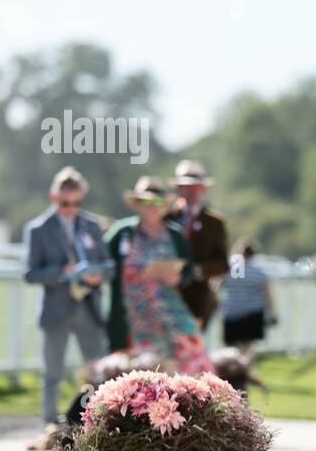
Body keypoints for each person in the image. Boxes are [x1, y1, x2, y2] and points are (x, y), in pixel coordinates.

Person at [22, 167, 112, 428]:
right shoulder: (39, 229)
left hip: (88, 306)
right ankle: (50, 422)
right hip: (56, 307)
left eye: (76, 202)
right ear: (53, 197)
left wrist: (99, 275)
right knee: (53, 371)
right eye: (65, 203)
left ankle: (98, 418)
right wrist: (61, 273)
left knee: (98, 370)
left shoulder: (92, 226)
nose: (70, 208)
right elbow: (30, 273)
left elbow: (109, 266)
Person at [105, 177, 214, 375]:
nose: (153, 207)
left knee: (194, 354)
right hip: (134, 317)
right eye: (147, 202)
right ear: (137, 204)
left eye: (158, 202)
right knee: (146, 369)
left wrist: (178, 278)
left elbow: (188, 271)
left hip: (170, 311)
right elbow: (103, 261)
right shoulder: (122, 233)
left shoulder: (175, 235)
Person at [166, 159, 229, 330]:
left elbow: (223, 264)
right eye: (186, 186)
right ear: (178, 188)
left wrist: (198, 270)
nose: (192, 191)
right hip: (167, 296)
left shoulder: (214, 222)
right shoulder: (166, 218)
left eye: (197, 186)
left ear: (204, 189)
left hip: (199, 299)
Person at [222, 237, 275, 353]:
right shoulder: (260, 272)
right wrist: (273, 313)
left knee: (233, 349)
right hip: (253, 314)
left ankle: (234, 369)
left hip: (232, 313)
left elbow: (217, 286)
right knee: (250, 347)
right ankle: (246, 368)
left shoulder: (229, 271)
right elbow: (268, 295)